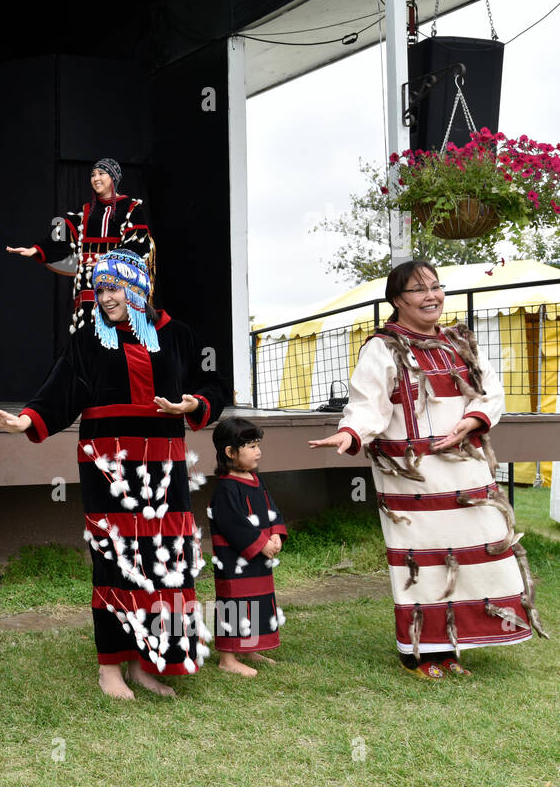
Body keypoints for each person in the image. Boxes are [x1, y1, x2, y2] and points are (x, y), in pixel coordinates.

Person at [0, 250, 228, 699]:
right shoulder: (87, 340)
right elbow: (58, 390)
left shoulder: (179, 335)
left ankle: (150, 660)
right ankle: (110, 666)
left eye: (113, 287)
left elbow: (212, 384)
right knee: (116, 559)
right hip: (108, 466)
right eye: (99, 290)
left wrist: (193, 404)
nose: (105, 297)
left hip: (164, 465)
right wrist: (26, 420)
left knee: (164, 560)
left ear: (138, 286)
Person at [309, 260, 543, 678]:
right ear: (396, 299)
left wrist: (473, 420)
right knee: (425, 563)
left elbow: (490, 391)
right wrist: (349, 434)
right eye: (418, 289)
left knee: (479, 553)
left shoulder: (460, 342)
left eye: (436, 286)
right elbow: (367, 406)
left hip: (467, 473)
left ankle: (453, 645)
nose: (431, 296)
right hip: (412, 479)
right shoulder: (381, 347)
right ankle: (419, 653)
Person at [4, 158, 153, 335]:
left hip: (116, 284)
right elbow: (61, 238)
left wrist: (106, 262)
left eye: (101, 173)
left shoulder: (131, 208)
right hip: (88, 285)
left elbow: (137, 246)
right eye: (93, 174)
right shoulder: (85, 212)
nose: (95, 178)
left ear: (113, 177)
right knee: (87, 334)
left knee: (116, 335)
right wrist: (35, 249)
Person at [209, 416, 286, 677]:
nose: (258, 451)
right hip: (235, 563)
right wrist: (259, 543)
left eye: (258, 444)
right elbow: (232, 524)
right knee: (235, 603)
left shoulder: (255, 481)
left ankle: (249, 648)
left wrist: (275, 534)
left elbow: (271, 510)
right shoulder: (226, 488)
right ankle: (228, 658)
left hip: (259, 560)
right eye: (251, 446)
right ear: (230, 452)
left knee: (258, 601)